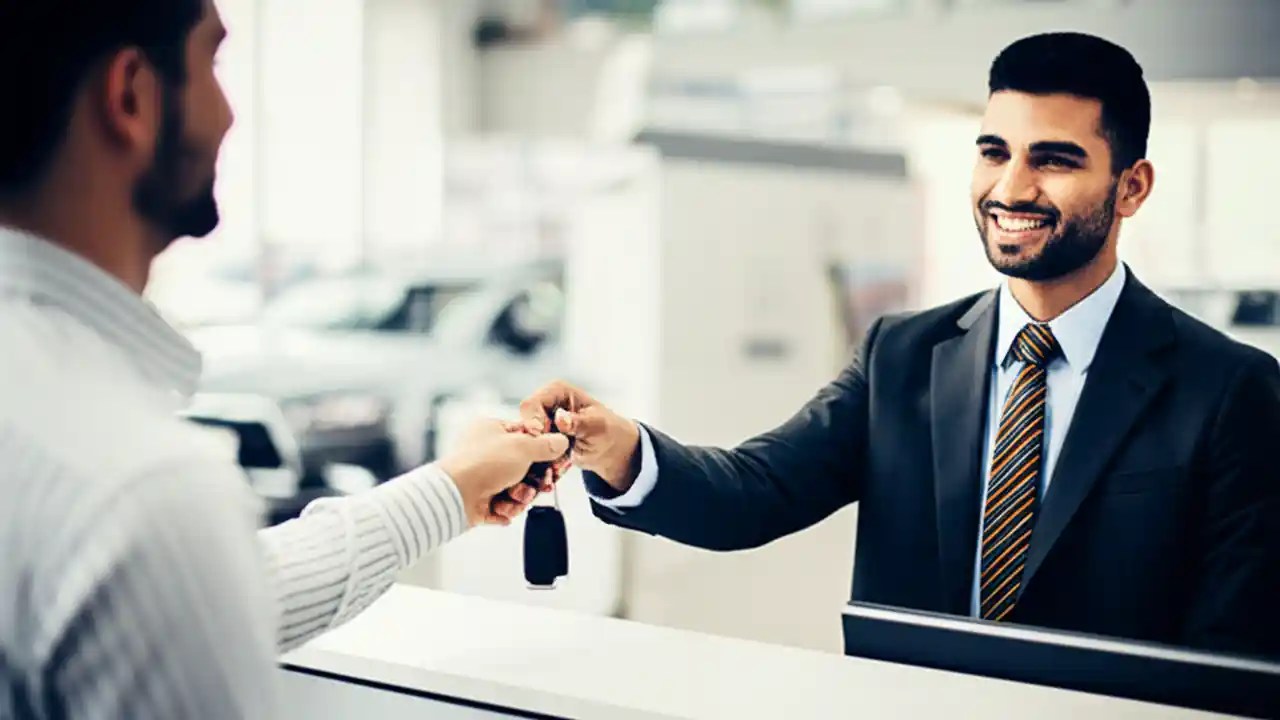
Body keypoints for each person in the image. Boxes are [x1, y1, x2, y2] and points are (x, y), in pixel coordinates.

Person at [521, 32, 1280, 659]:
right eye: (993, 151)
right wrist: (619, 448)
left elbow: (1235, 651)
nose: (1011, 188)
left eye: (1053, 159)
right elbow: (752, 494)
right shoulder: (902, 358)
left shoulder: (1230, 390)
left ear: (1132, 187)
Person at [0, 1, 557, 717]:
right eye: (212, 62)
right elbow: (164, 569)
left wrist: (451, 489)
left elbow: (194, 599)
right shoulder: (140, 491)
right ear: (131, 95)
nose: (229, 114)